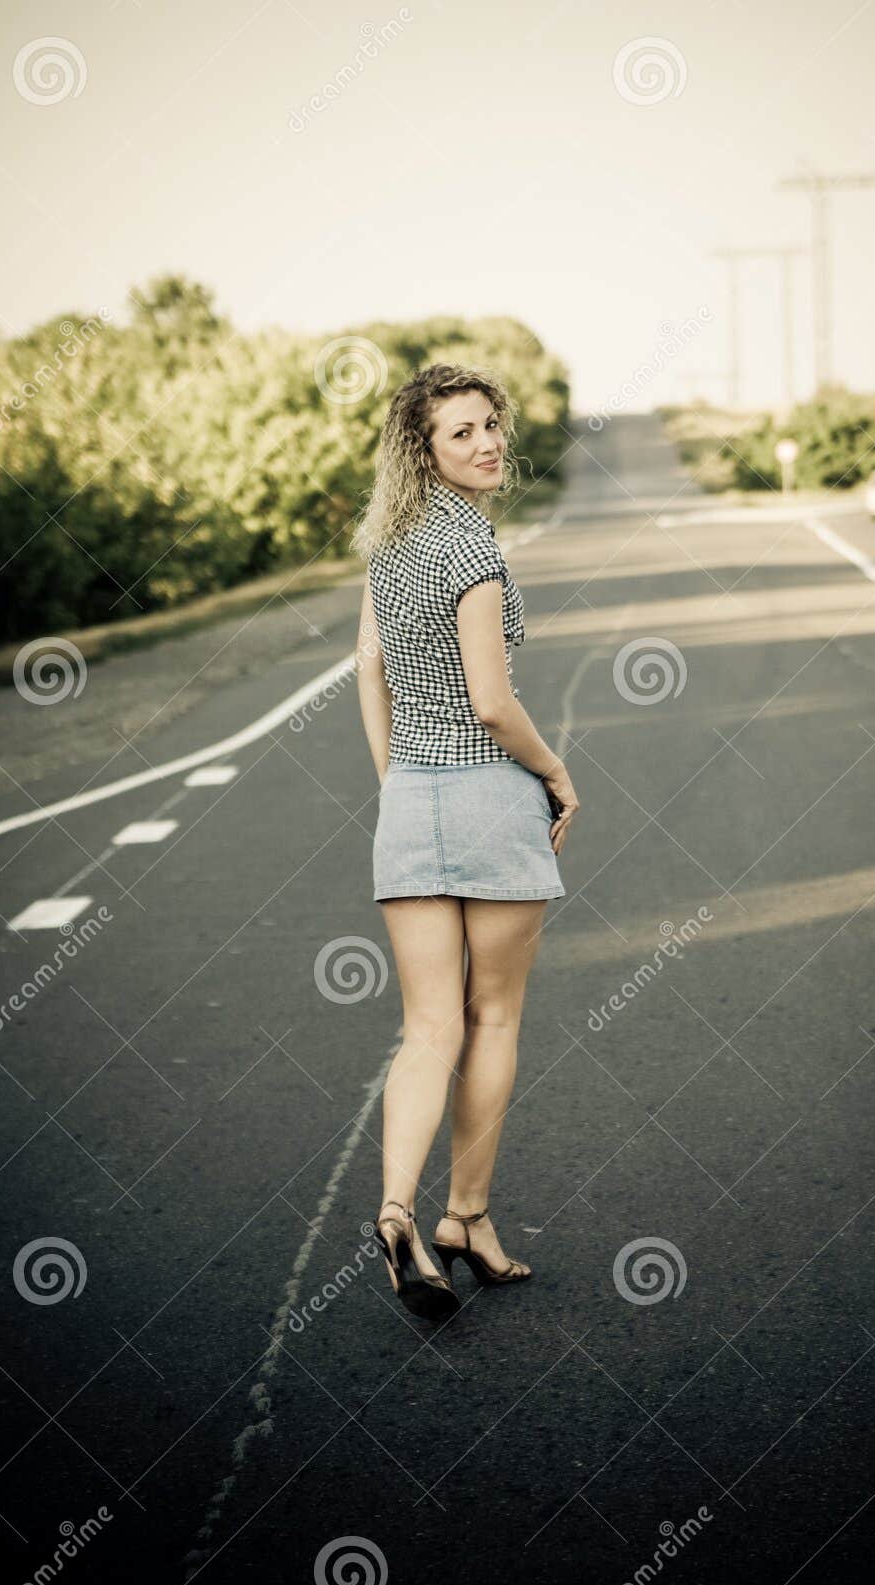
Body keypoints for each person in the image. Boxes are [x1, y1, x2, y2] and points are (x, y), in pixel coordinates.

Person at [351, 363, 579, 1320]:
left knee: (425, 1029)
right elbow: (492, 701)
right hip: (490, 797)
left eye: (490, 424)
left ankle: (397, 1211)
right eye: (461, 432)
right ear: (425, 452)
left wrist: (398, 784)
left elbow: (369, 669)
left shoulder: (387, 546)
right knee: (491, 1019)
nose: (487, 443)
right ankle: (466, 1215)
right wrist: (556, 771)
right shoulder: (472, 548)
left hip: (410, 800)